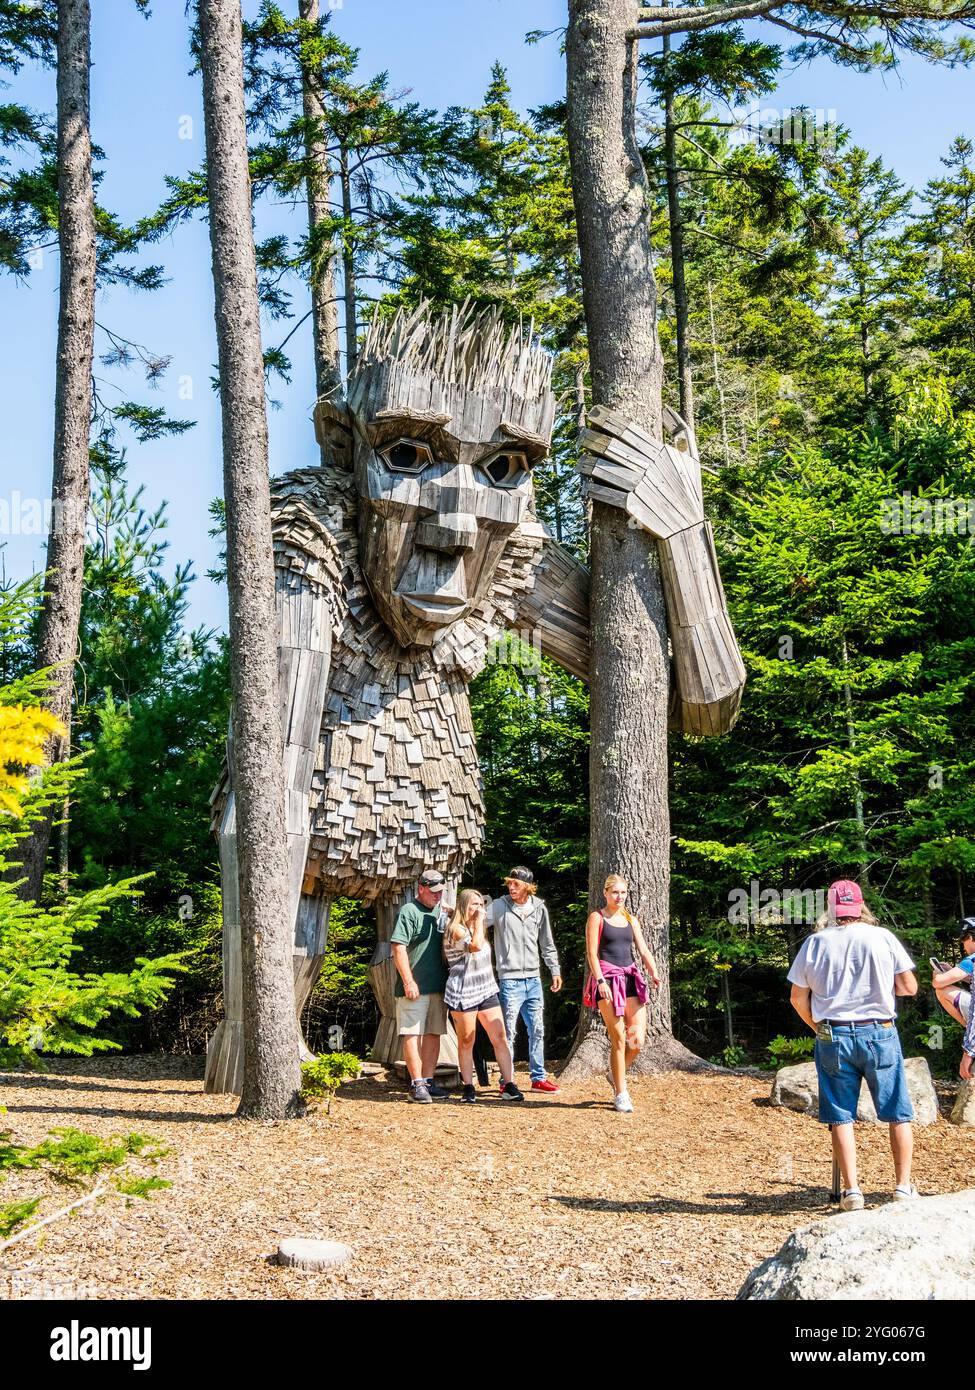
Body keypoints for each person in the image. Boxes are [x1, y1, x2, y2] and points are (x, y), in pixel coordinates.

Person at [787, 879, 918, 1211]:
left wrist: (818, 1026)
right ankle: (902, 1187)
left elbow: (797, 997)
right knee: (897, 1111)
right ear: (860, 907)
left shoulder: (815, 943)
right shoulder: (883, 937)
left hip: (833, 1034)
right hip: (880, 1032)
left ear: (830, 909)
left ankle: (853, 1191)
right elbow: (909, 986)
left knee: (840, 1115)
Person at [584, 874, 662, 1113]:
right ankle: (621, 1093)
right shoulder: (597, 918)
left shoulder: (631, 920)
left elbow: (643, 950)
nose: (619, 897)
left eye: (623, 893)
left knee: (637, 1039)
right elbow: (592, 954)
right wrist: (600, 981)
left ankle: (614, 1074)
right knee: (618, 1038)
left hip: (630, 980)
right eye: (615, 893)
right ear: (606, 894)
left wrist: (654, 972)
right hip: (607, 980)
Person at [443, 888, 524, 1102]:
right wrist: (478, 922)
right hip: (463, 991)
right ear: (464, 907)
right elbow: (476, 946)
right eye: (474, 905)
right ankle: (468, 1087)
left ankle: (509, 1084)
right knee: (467, 1039)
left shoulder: (474, 925)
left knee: (500, 1036)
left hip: (486, 989)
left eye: (481, 905)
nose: (479, 909)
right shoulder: (455, 930)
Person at [489, 867, 563, 1094]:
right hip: (509, 979)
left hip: (533, 978)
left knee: (537, 1029)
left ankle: (538, 1078)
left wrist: (554, 969)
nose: (511, 887)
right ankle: (506, 1081)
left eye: (516, 884)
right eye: (509, 883)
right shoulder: (499, 906)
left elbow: (547, 942)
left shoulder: (539, 908)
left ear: (528, 887)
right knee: (508, 1032)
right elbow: (476, 921)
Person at [390, 869, 450, 1104]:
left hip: (437, 985)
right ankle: (416, 1085)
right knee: (412, 1034)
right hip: (414, 988)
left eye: (441, 892)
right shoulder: (408, 911)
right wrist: (408, 981)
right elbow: (398, 948)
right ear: (421, 888)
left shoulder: (441, 911)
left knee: (434, 1033)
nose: (437, 896)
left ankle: (428, 1080)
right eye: (434, 892)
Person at [933, 918, 975, 1028]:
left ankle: (969, 1029)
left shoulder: (972, 959)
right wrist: (951, 970)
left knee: (942, 990)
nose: (962, 944)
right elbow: (972, 979)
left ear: (970, 938)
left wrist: (937, 974)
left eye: (963, 939)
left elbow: (938, 982)